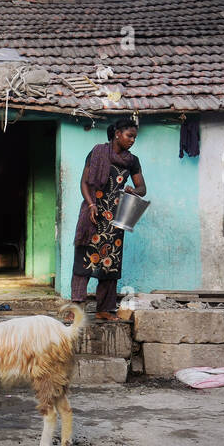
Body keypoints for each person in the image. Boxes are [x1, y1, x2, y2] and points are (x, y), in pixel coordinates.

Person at [72, 118, 146, 321]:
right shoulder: (97, 152)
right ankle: (76, 309)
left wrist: (133, 190)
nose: (132, 140)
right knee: (84, 261)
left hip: (116, 218)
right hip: (93, 215)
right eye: (129, 136)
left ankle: (104, 309)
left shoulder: (132, 160)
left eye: (134, 137)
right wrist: (91, 205)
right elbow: (85, 183)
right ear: (117, 134)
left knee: (110, 263)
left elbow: (142, 188)